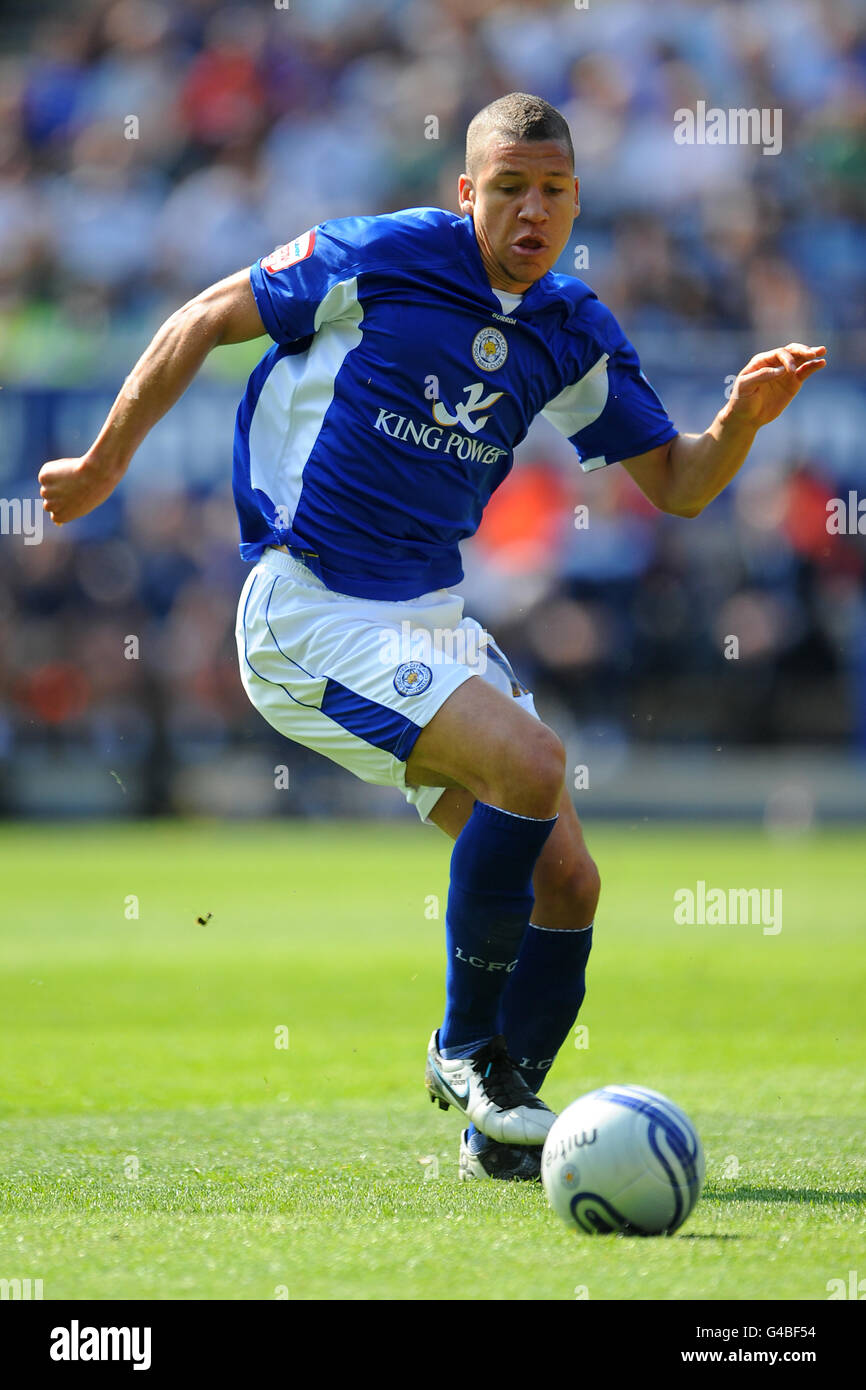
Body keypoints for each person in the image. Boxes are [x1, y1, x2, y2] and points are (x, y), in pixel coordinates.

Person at [38, 92, 826, 1182]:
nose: (529, 210)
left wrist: (738, 419)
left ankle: (502, 1138)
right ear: (466, 193)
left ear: (575, 201)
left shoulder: (569, 330)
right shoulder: (383, 256)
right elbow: (202, 317)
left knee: (570, 881)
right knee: (534, 765)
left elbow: (681, 484)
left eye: (550, 191)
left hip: (426, 619)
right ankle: (462, 1050)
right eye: (507, 187)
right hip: (306, 608)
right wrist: (100, 466)